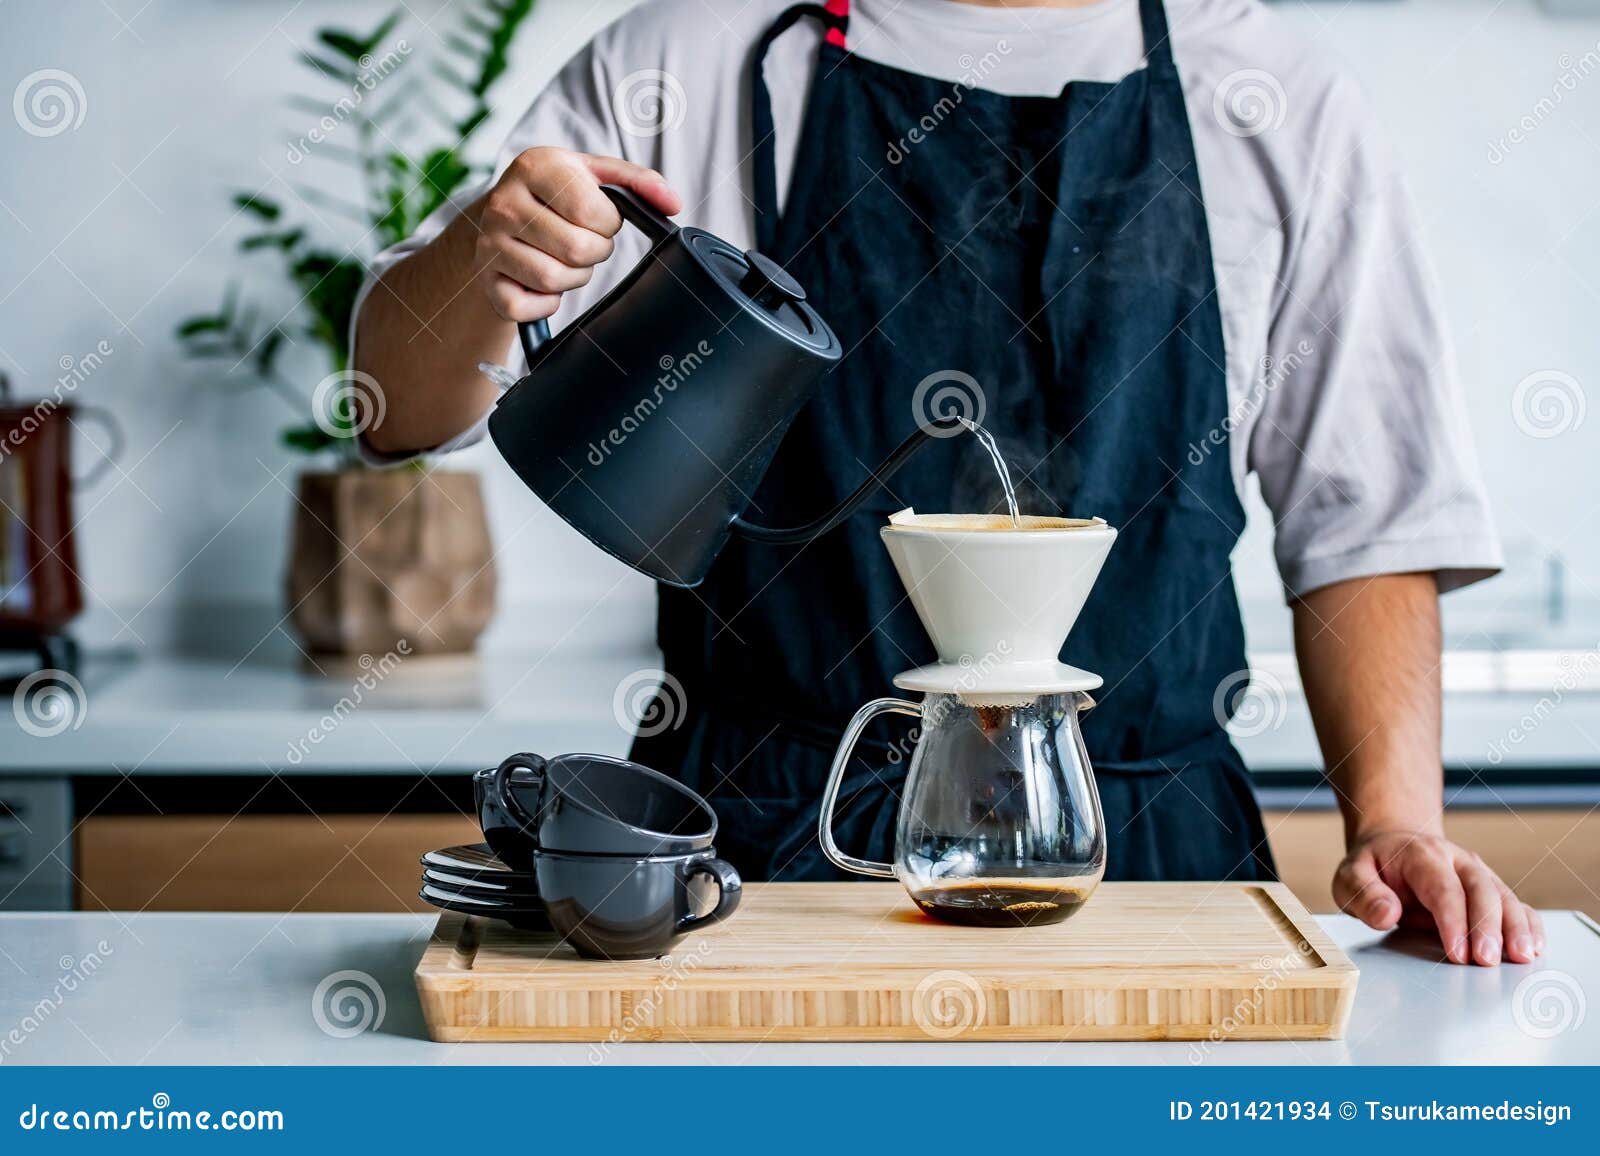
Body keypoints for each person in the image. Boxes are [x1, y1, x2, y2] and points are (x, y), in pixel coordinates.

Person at [352, 0, 1540, 966]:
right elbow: (396, 409)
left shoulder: (1270, 94)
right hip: (760, 859)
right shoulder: (692, 55)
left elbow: (1367, 521)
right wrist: (477, 258)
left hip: (1146, 861)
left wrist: (1394, 824)